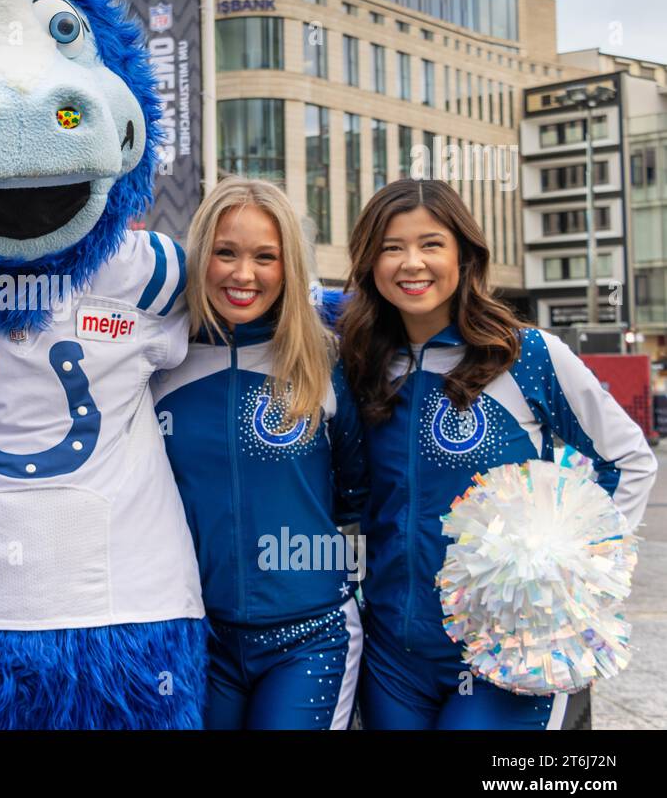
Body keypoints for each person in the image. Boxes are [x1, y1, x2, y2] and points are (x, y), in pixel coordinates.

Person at [338, 178, 655, 730]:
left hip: (509, 653)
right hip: (393, 656)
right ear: (370, 261)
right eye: (393, 247)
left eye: (431, 243)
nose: (412, 263)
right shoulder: (361, 360)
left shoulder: (525, 353)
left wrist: (576, 577)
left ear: (464, 253)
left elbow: (628, 458)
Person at [153, 178, 367, 729]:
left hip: (310, 636)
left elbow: (356, 497)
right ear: (201, 256)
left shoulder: (324, 362)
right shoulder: (159, 359)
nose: (243, 274)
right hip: (198, 634)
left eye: (265, 257)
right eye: (226, 252)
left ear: (288, 265)